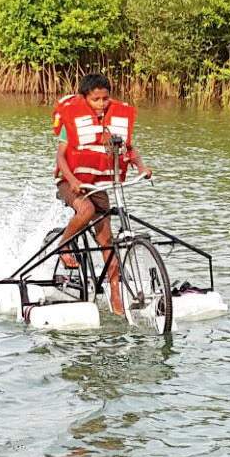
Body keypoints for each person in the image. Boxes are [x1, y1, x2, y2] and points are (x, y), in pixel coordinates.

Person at [52, 73, 153, 315]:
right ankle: (64, 244)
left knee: (107, 241)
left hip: (100, 185)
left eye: (105, 99)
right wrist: (73, 179)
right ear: (84, 98)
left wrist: (141, 167)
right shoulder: (73, 120)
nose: (101, 104)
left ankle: (116, 294)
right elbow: (60, 156)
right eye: (95, 99)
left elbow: (129, 149)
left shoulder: (113, 121)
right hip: (71, 182)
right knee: (86, 210)